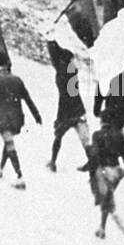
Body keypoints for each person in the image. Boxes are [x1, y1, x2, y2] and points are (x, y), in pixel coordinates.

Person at [0, 51, 42, 190]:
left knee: (9, 144)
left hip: (3, 118)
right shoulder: (17, 80)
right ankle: (1, 168)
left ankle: (20, 176)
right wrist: (36, 115)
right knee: (8, 143)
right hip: (16, 119)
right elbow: (28, 99)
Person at [89, 107, 124, 245]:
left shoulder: (97, 135)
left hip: (105, 172)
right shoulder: (118, 135)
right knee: (107, 201)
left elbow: (95, 156)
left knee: (110, 205)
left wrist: (92, 174)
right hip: (117, 172)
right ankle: (102, 228)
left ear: (102, 121)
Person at [46, 41, 92, 172]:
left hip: (65, 110)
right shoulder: (72, 71)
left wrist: (51, 41)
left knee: (58, 136)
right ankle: (91, 162)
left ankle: (53, 162)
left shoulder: (61, 73)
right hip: (78, 108)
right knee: (85, 139)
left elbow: (55, 56)